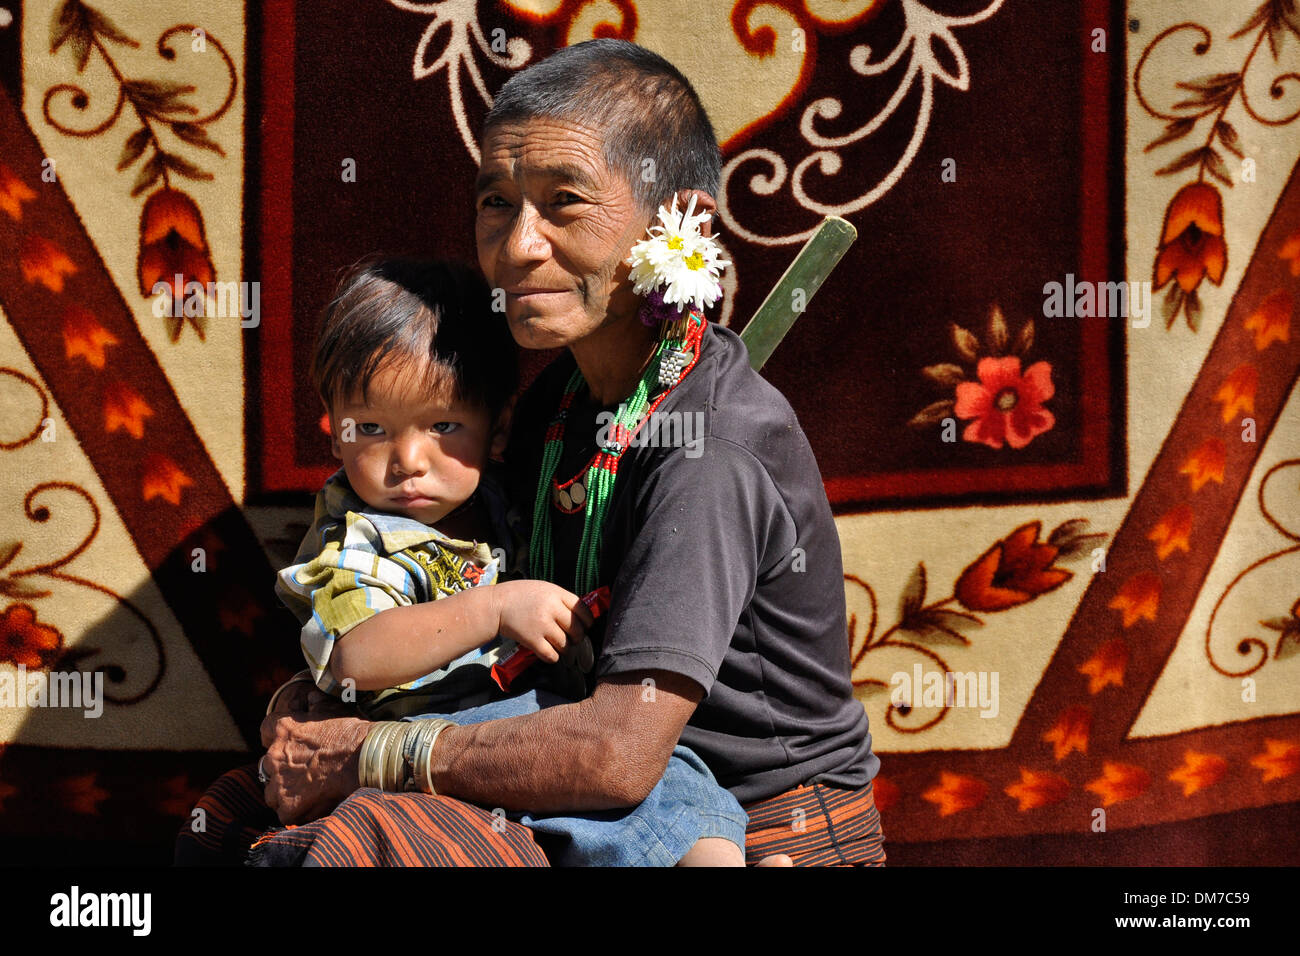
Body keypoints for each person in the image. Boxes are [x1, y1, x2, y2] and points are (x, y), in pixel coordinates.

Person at [178, 38, 883, 867]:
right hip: (558, 785)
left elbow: (617, 756)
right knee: (237, 818)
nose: (518, 247)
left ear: (678, 221)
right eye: (496, 204)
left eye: (564, 203)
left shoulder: (712, 446)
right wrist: (316, 694)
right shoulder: (556, 406)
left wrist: (364, 753)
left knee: (376, 842)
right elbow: (437, 578)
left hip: (730, 835)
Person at [259, 255, 749, 866]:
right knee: (601, 801)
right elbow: (356, 652)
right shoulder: (356, 537)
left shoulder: (503, 497)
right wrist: (492, 608)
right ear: (334, 434)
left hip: (536, 712)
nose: (408, 458)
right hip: (437, 731)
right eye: (372, 428)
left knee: (673, 780)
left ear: (496, 430)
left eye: (443, 425)